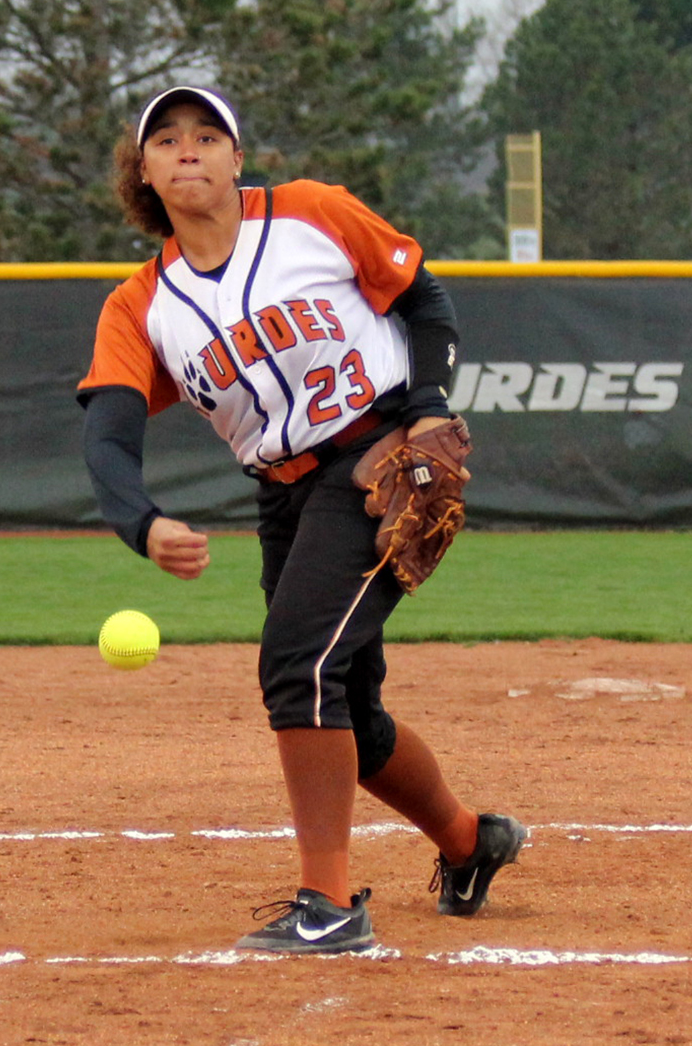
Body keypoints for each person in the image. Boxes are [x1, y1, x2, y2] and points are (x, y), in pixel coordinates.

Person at [76, 86, 526, 954]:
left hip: (375, 465)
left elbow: (423, 299)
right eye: (166, 141)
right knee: (348, 706)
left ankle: (328, 905)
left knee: (298, 663)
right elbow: (108, 432)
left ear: (238, 157)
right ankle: (471, 844)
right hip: (283, 494)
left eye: (208, 136)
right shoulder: (143, 305)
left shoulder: (311, 216)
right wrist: (141, 521)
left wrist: (430, 404)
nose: (189, 151)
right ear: (145, 172)